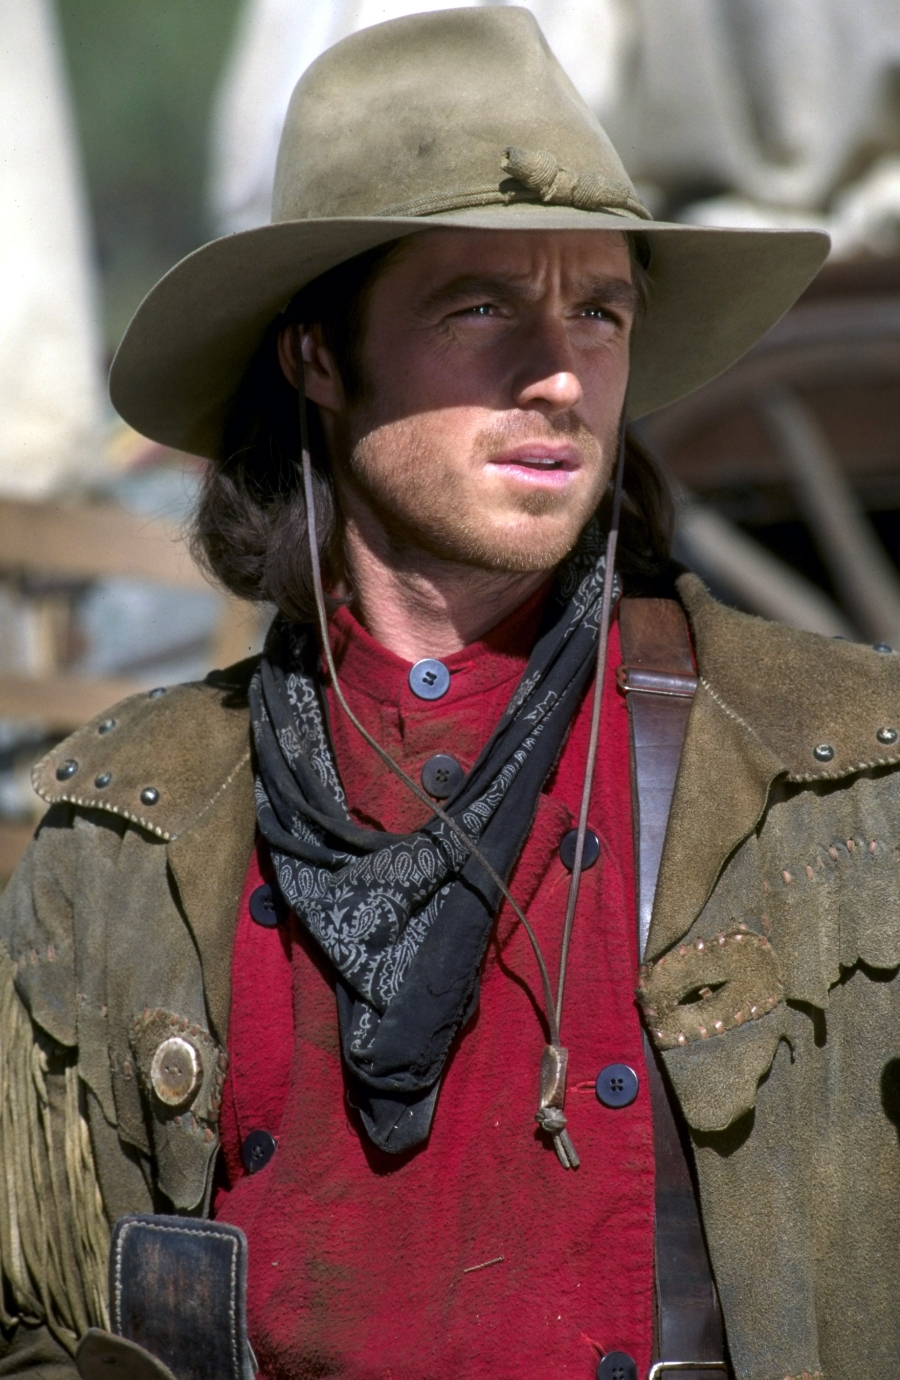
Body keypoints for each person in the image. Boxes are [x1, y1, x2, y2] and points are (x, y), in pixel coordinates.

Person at [3, 8, 898, 1380]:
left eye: (599, 309)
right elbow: (38, 1328)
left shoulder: (852, 781)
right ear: (316, 354)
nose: (562, 373)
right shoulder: (120, 835)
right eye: (480, 307)